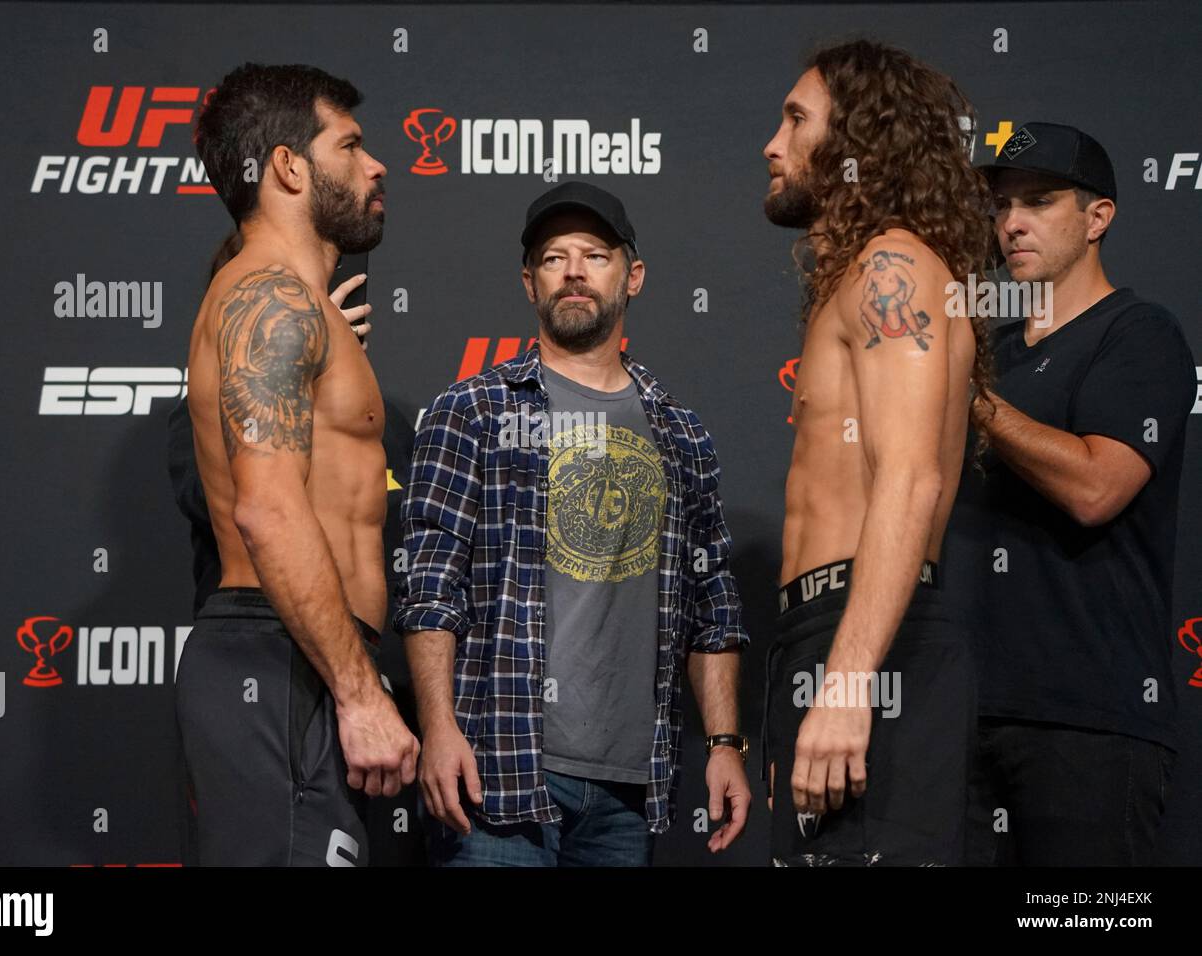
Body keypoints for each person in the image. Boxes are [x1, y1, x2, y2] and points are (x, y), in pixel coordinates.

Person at [395, 181, 751, 866]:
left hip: (628, 791)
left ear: (633, 276)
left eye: (595, 254)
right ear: (530, 282)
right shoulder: (472, 410)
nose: (575, 272)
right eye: (554, 258)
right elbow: (431, 587)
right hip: (497, 773)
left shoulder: (679, 433)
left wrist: (725, 743)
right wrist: (438, 728)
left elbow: (714, 607)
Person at [174, 62, 417, 867]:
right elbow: (268, 509)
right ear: (287, 166)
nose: (377, 164)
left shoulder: (300, 306)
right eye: (350, 144)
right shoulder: (270, 300)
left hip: (305, 657)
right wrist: (356, 693)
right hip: (278, 660)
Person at [760, 39, 994, 865]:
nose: (772, 144)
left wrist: (852, 680)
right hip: (831, 636)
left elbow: (911, 477)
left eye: (796, 120)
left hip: (871, 641)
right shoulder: (858, 275)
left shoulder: (893, 265)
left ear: (858, 142)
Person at [954, 122, 1195, 865]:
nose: (1012, 222)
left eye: (1040, 200)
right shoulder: (988, 349)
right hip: (964, 717)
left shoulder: (1139, 334)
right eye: (1002, 206)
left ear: (1098, 218)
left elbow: (1096, 487)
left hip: (1089, 717)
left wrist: (971, 397)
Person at [168, 230, 373, 618]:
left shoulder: (379, 424)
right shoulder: (201, 411)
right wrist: (299, 362)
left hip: (369, 647)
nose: (305, 316)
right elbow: (230, 504)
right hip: (264, 637)